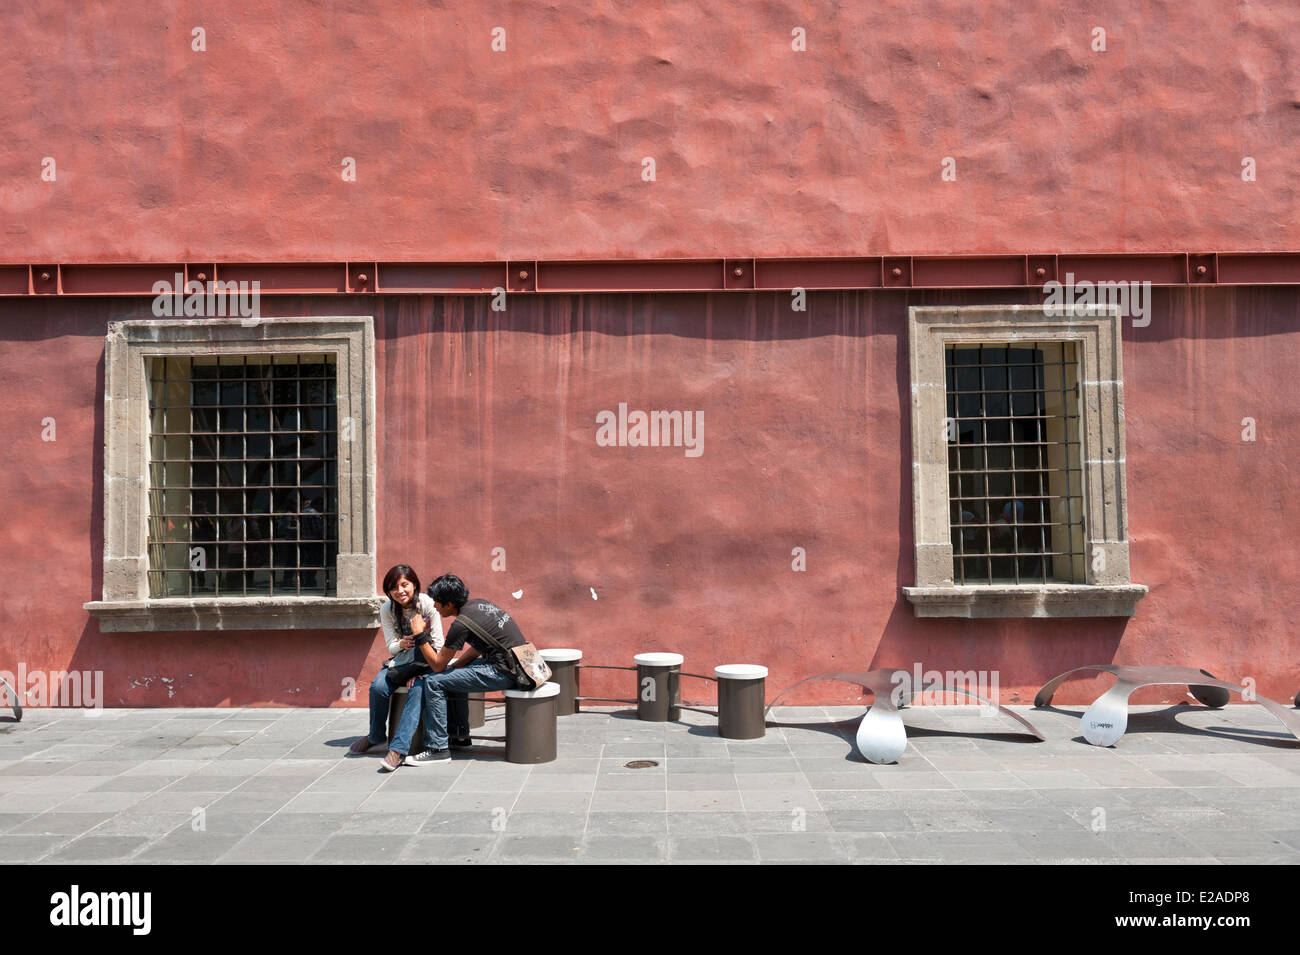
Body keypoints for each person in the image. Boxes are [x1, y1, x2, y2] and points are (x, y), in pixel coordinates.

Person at [380, 574, 526, 770]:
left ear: (449, 604)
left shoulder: (460, 624)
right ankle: (460, 736)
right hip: (517, 664)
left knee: (434, 681)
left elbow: (438, 665)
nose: (436, 608)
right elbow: (479, 646)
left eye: (438, 603)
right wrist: (455, 667)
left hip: (504, 672)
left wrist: (419, 634)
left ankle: (438, 748)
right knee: (451, 675)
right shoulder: (480, 605)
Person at [348, 565, 444, 755]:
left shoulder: (427, 603)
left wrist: (420, 667)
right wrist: (402, 643)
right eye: (394, 588)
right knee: (378, 687)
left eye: (404, 585)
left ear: (414, 585)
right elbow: (391, 646)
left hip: (428, 660)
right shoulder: (387, 609)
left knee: (417, 688)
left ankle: (412, 743)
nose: (400, 591)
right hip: (402, 659)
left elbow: (439, 643)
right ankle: (376, 737)